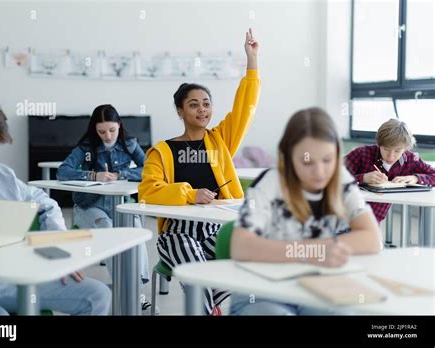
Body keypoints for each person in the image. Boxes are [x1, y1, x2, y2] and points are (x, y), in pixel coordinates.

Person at [139, 28, 261, 315]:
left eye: (206, 104)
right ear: (180, 111)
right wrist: (189, 194)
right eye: (193, 105)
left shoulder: (221, 141)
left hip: (214, 227)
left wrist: (252, 60)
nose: (202, 110)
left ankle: (209, 306)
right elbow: (148, 191)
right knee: (196, 267)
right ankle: (209, 310)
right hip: (178, 232)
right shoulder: (162, 150)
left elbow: (245, 108)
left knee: (247, 264)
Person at [0, 99, 111, 315]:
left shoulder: (1, 176)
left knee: (97, 294)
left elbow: (45, 203)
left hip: (11, 273)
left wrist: (57, 248)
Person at [230, 107, 381, 315]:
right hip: (261, 291)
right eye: (307, 162)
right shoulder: (270, 182)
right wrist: (311, 251)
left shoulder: (340, 177)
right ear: (288, 157)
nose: (320, 172)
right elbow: (241, 246)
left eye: (328, 160)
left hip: (315, 287)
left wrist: (311, 251)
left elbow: (372, 239)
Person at [56, 104, 151, 310]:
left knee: (136, 233)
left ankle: (136, 288)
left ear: (119, 125)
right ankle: (130, 291)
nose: (107, 136)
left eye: (111, 130)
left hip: (121, 206)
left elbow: (150, 171)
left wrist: (122, 175)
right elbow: (62, 172)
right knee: (108, 231)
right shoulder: (86, 147)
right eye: (101, 132)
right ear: (95, 130)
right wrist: (92, 175)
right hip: (90, 206)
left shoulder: (130, 144)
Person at [345, 118, 435, 223]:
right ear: (379, 144)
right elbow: (332, 178)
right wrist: (363, 178)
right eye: (386, 149)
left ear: (406, 148)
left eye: (397, 151)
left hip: (373, 220)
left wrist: (415, 178)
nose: (391, 156)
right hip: (344, 215)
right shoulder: (361, 154)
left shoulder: (410, 159)